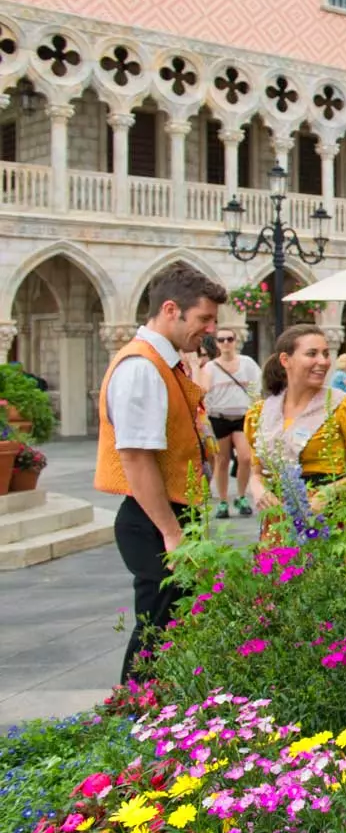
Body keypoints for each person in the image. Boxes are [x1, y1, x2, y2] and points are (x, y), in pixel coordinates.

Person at [94, 264, 225, 685]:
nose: (208, 330)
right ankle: (132, 714)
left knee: (172, 619)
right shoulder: (141, 367)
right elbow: (135, 458)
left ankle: (155, 713)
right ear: (171, 309)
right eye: (204, 319)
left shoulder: (165, 363)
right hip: (153, 518)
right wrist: (171, 532)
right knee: (157, 624)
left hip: (169, 512)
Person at [245, 325, 346, 537]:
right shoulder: (260, 412)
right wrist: (258, 489)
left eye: (326, 353)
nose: (323, 361)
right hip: (279, 519)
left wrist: (327, 493)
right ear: (285, 360)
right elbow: (255, 472)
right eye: (312, 354)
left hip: (329, 517)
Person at [199, 326, 261, 519]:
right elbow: (204, 389)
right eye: (221, 340)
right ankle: (223, 500)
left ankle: (241, 496)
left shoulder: (247, 363)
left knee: (245, 457)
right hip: (219, 417)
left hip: (242, 416)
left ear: (236, 341)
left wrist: (256, 407)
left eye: (230, 339)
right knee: (222, 460)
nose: (226, 343)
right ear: (216, 344)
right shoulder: (210, 367)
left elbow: (257, 386)